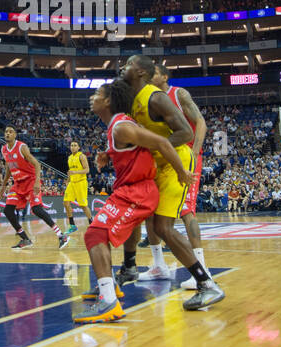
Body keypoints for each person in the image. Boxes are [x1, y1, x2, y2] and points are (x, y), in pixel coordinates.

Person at [75, 80, 193, 323]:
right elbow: (135, 149)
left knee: (95, 235)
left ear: (107, 101)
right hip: (130, 190)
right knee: (97, 234)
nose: (92, 97)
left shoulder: (120, 125)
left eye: (97, 93)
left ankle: (109, 301)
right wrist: (109, 154)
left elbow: (161, 142)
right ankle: (110, 287)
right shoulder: (116, 126)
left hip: (138, 192)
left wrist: (181, 171)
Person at [118, 55, 224, 309]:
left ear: (142, 72)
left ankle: (207, 284)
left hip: (176, 162)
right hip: (157, 163)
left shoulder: (156, 97)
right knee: (144, 216)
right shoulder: (131, 99)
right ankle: (132, 266)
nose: (123, 67)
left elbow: (186, 132)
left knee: (165, 226)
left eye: (129, 64)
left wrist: (156, 149)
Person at [151, 61, 209, 289]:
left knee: (186, 211)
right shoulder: (152, 99)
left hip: (185, 158)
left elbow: (200, 122)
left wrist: (195, 150)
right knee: (153, 212)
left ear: (164, 76)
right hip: (163, 160)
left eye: (154, 73)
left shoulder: (178, 94)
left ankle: (202, 269)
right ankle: (158, 265)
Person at [0, 127, 70, 250]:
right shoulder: (4, 149)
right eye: (6, 132)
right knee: (8, 210)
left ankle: (61, 235)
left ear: (15, 135)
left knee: (37, 209)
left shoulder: (22, 147)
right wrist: (3, 185)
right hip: (17, 183)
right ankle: (25, 239)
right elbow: (8, 168)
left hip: (30, 180)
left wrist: (37, 182)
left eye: (10, 132)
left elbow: (37, 164)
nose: (7, 134)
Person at [62, 141, 91, 233]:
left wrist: (76, 172)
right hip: (72, 183)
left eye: (75, 145)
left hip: (81, 182)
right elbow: (70, 171)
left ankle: (91, 223)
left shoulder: (81, 156)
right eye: (71, 145)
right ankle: (72, 225)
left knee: (83, 205)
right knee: (66, 203)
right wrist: (68, 180)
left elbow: (87, 170)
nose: (73, 147)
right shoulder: (70, 157)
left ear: (78, 147)